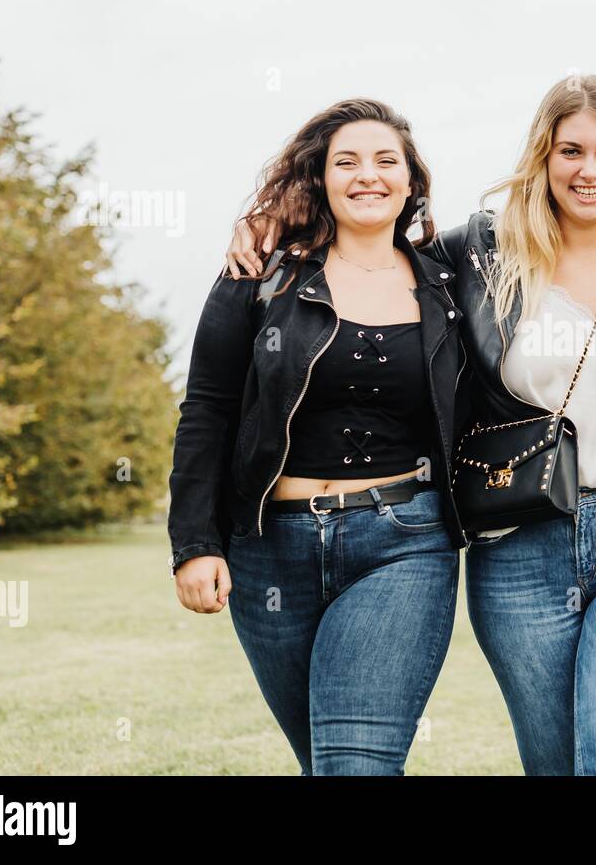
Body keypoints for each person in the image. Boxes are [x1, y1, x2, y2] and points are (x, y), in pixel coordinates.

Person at [227, 74, 596, 775]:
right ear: (543, 158)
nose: (588, 170)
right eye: (570, 151)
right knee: (554, 763)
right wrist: (277, 224)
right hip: (519, 546)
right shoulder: (479, 254)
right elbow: (372, 245)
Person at [170, 98, 469, 775]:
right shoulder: (261, 275)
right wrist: (194, 543)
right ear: (322, 179)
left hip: (403, 544)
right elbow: (207, 410)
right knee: (324, 763)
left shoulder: (449, 284)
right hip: (268, 552)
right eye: (347, 162)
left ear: (412, 181)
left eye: (386, 160)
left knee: (355, 764)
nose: (368, 175)